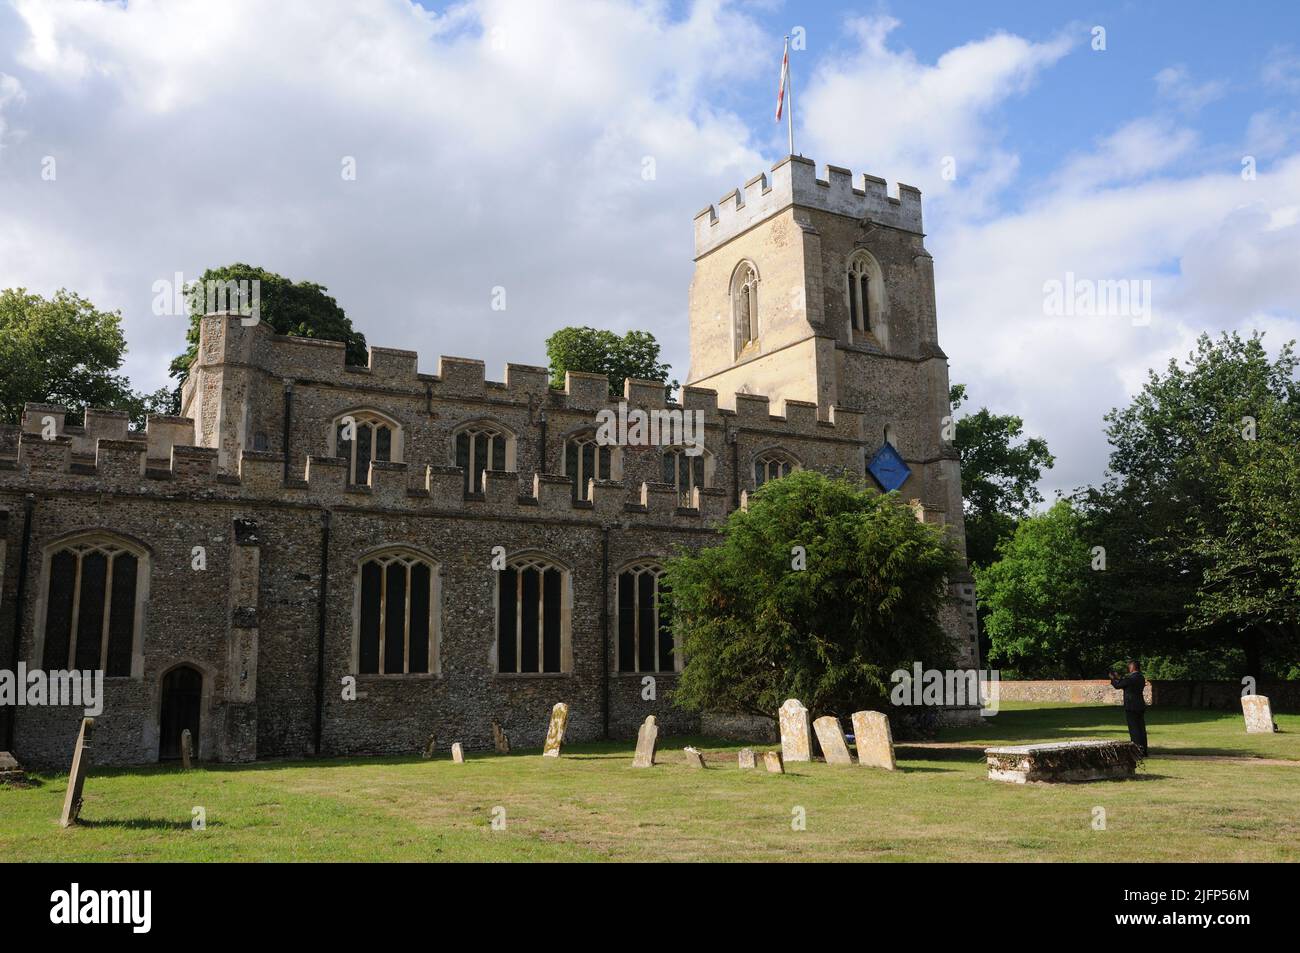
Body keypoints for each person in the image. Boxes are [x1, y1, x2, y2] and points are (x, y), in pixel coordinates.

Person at [1109, 660, 1148, 756]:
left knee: (1134, 729)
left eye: (1129, 667)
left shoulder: (1131, 678)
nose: (1128, 668)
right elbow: (1126, 683)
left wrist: (1113, 678)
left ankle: (1137, 750)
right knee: (1141, 729)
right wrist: (1119, 678)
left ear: (1133, 667)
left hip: (1131, 706)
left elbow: (1118, 685)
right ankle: (1143, 750)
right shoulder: (1140, 677)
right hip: (1140, 705)